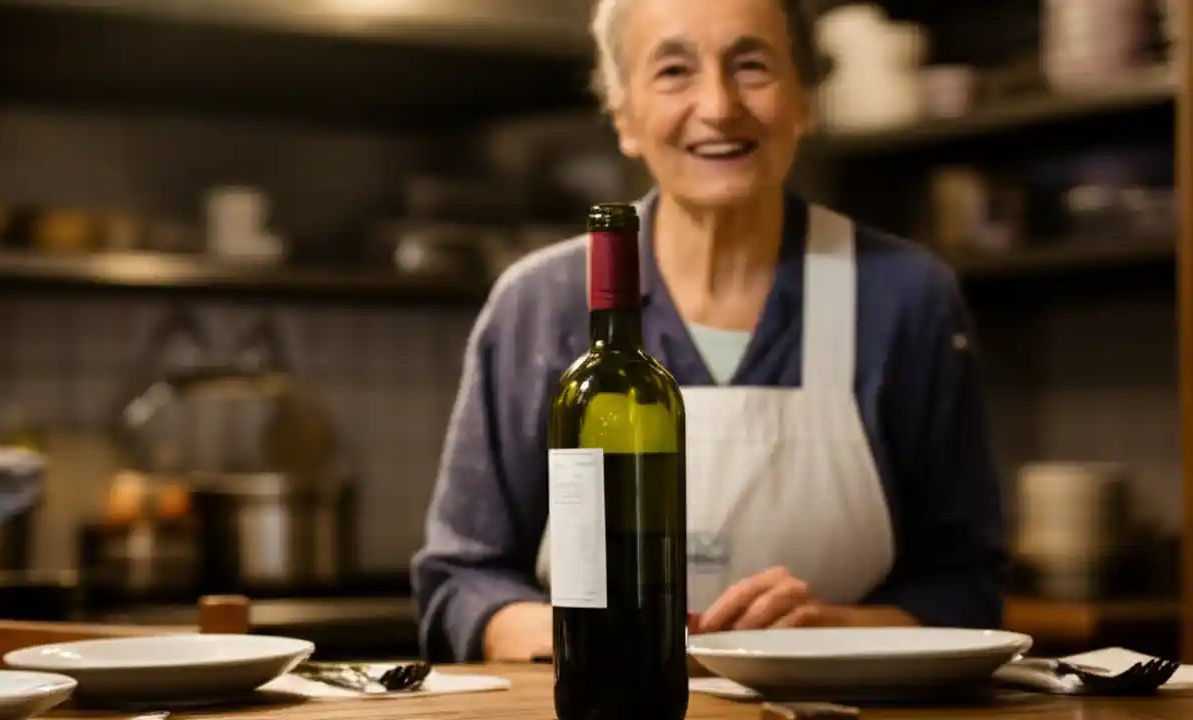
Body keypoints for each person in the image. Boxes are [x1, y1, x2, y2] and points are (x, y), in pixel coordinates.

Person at [411, 0, 1006, 663]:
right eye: (673, 71)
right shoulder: (538, 307)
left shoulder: (908, 299)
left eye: (751, 65)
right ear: (623, 114)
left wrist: (839, 631)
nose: (719, 107)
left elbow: (965, 587)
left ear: (805, 98)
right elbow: (463, 580)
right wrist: (593, 640)